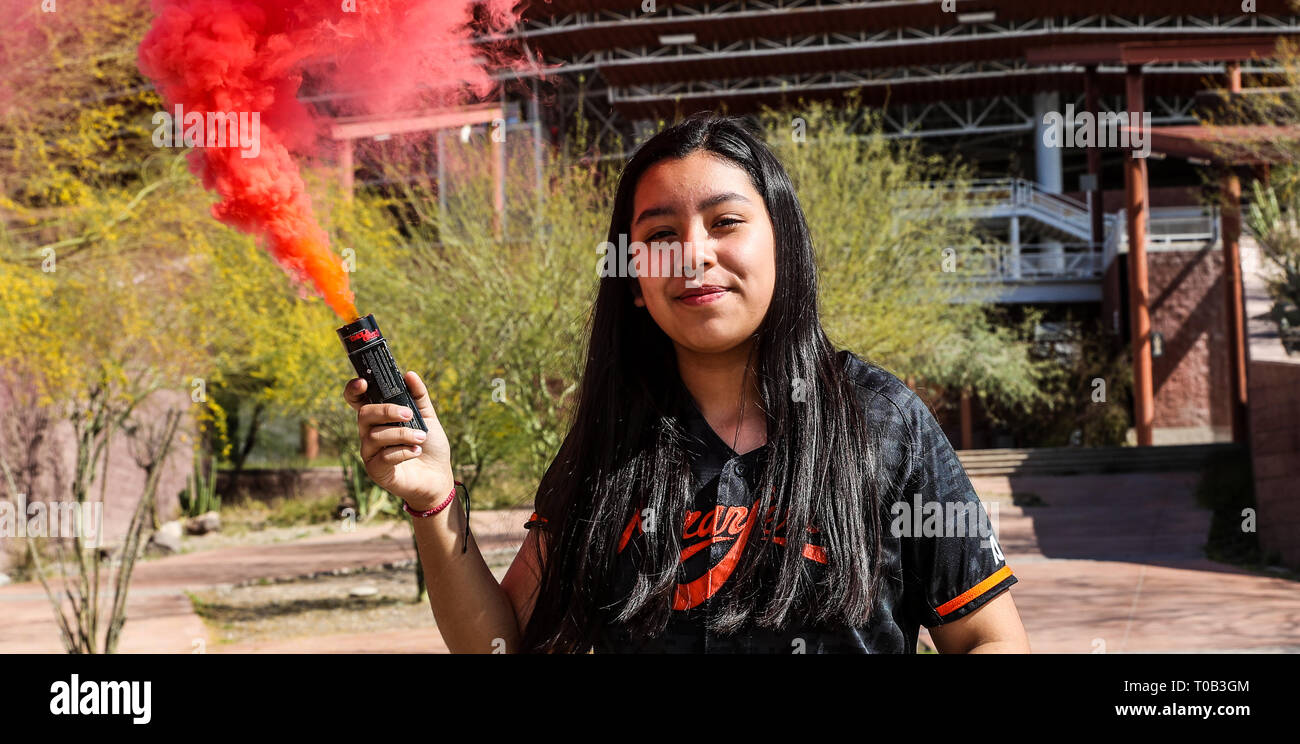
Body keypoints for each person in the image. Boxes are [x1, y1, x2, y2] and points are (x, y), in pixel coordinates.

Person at [343, 112, 1030, 654]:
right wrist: (437, 502)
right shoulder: (611, 442)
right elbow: (502, 644)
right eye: (661, 234)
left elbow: (989, 638)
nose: (694, 254)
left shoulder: (884, 422)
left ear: (781, 243)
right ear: (634, 279)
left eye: (725, 222)